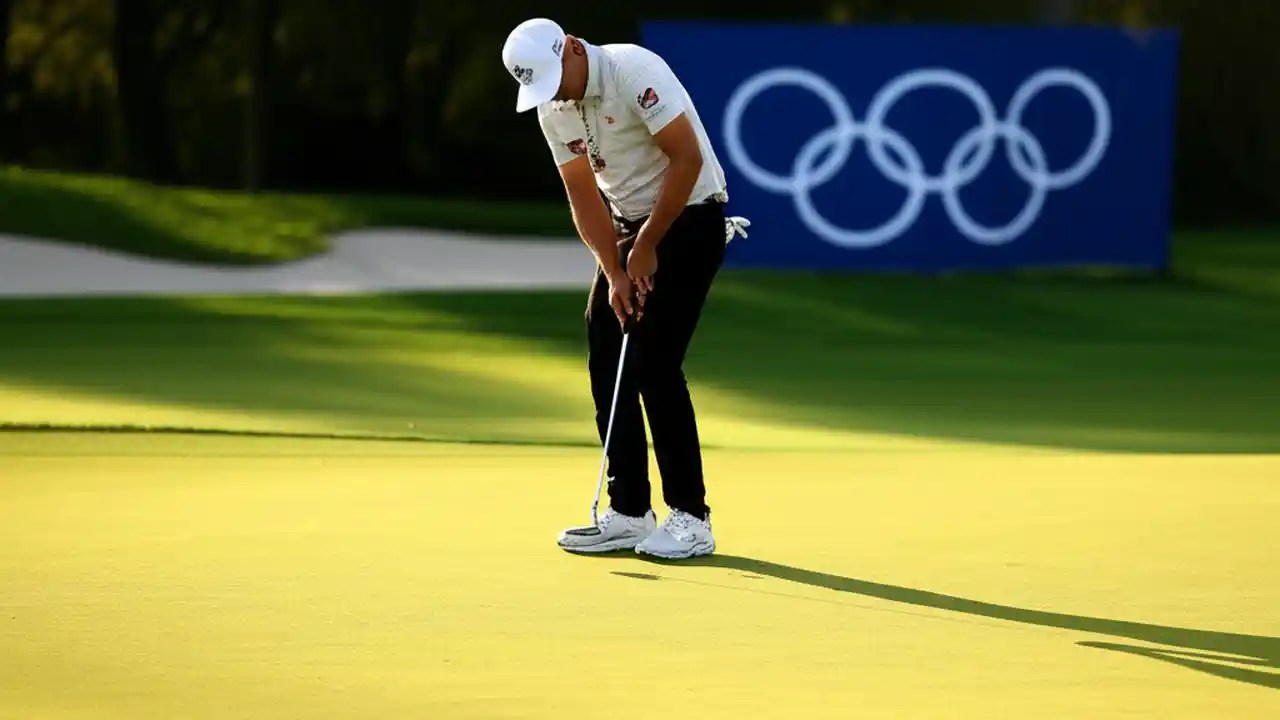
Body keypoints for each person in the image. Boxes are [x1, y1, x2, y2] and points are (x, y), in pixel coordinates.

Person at [501, 18, 745, 559]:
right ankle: (630, 510)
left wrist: (648, 244)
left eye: (552, 80)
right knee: (606, 350)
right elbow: (583, 197)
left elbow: (688, 159)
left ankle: (692, 518)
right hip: (630, 227)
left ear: (569, 49)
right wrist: (615, 272)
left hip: (692, 217)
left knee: (655, 361)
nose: (554, 95)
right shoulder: (552, 104)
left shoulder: (633, 70)